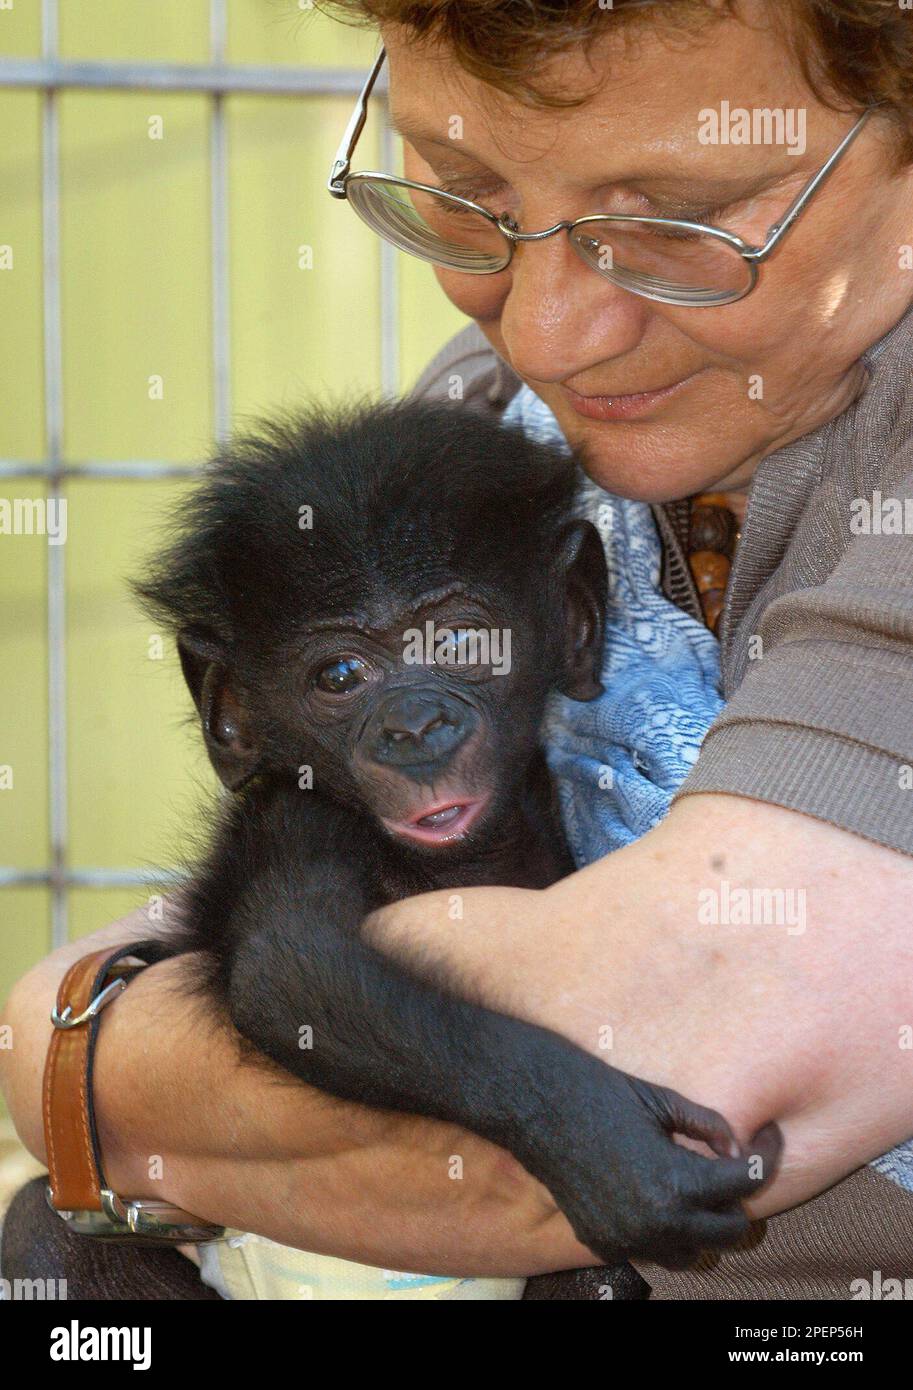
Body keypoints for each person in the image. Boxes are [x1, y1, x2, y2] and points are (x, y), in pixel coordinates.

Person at [2, 0, 913, 1299]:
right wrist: (95, 1059)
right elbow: (274, 933)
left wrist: (76, 1055)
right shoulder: (497, 443)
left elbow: (664, 1064)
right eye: (462, 193)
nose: (543, 336)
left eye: (676, 221)